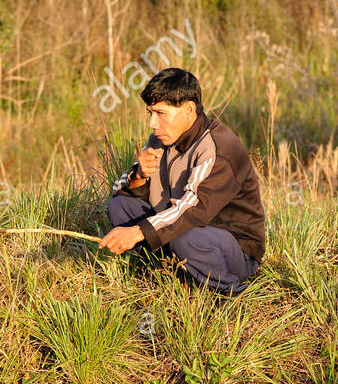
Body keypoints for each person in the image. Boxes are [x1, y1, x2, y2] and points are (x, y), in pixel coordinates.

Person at [98, 68, 265, 296]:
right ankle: (165, 272)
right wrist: (139, 176)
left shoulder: (218, 148)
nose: (152, 124)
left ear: (189, 109)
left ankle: (228, 294)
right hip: (182, 231)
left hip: (234, 248)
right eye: (150, 113)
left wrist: (139, 232)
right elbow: (119, 190)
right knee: (120, 207)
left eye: (161, 113)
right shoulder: (159, 138)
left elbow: (192, 211)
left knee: (185, 237)